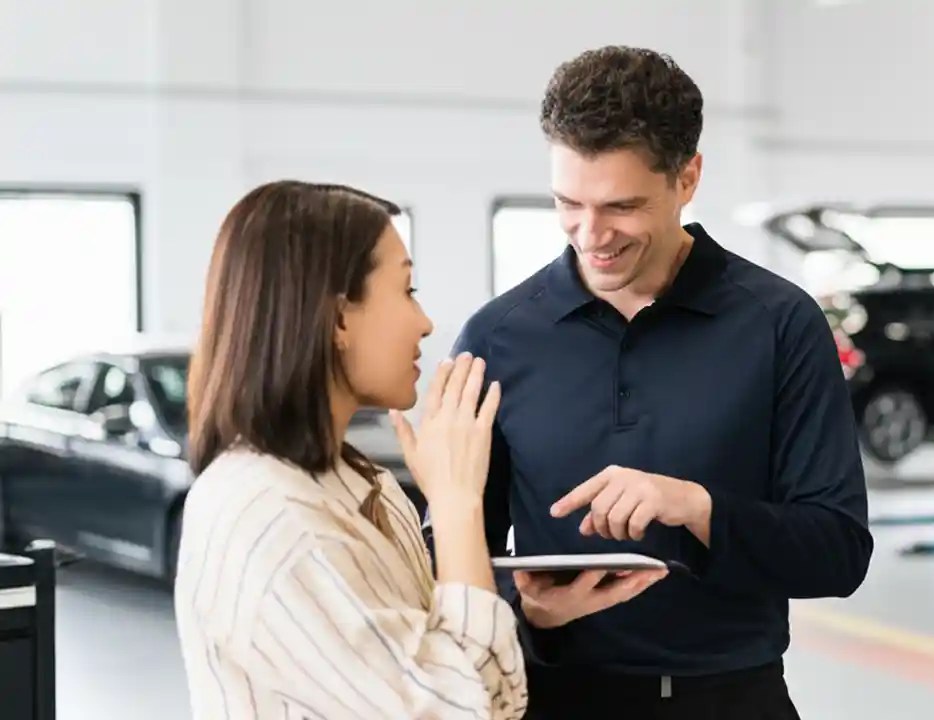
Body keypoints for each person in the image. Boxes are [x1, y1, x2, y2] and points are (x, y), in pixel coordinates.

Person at [453, 46, 874, 719]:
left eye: (621, 206)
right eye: (568, 203)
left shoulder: (780, 324)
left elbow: (838, 553)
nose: (591, 235)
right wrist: (526, 609)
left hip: (735, 699)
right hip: (554, 699)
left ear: (688, 177)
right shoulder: (496, 338)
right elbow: (450, 548)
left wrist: (695, 507)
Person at [174, 180, 528, 719]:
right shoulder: (274, 520)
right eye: (407, 291)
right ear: (339, 318)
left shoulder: (370, 486)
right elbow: (461, 710)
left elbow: (451, 663)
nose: (427, 322)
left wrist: (535, 615)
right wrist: (457, 502)